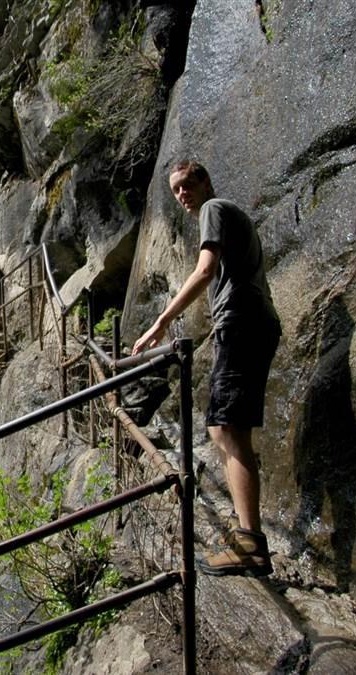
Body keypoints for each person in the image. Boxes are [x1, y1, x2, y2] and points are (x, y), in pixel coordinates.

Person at [131, 160, 281, 577]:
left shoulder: (214, 209)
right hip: (248, 322)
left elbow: (205, 269)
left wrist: (160, 323)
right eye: (176, 191)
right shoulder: (229, 213)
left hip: (241, 322)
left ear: (204, 179)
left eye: (186, 185)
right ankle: (245, 528)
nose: (182, 196)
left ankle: (250, 542)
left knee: (229, 429)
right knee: (222, 428)